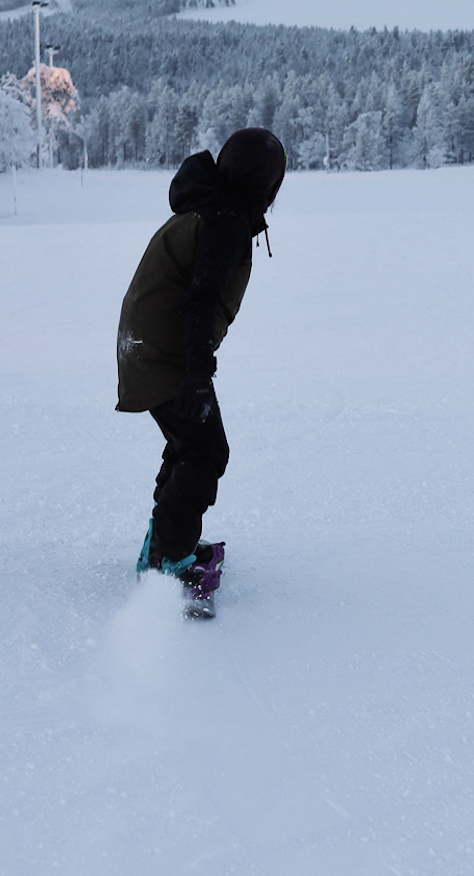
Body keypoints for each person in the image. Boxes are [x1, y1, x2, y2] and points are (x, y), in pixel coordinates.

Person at [115, 128, 286, 604]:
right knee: (206, 451)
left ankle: (166, 545)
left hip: (147, 345)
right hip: (163, 351)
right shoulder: (225, 217)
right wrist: (196, 372)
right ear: (262, 183)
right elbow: (201, 298)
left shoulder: (213, 205)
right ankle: (169, 564)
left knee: (190, 442)